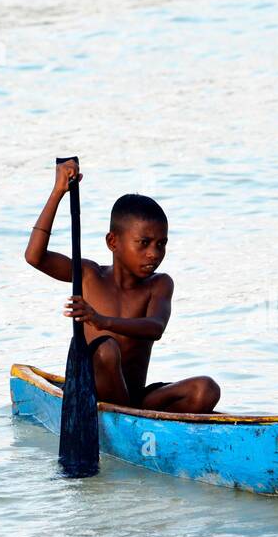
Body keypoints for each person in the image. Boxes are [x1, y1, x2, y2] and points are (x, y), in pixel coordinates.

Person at [24, 159, 220, 413]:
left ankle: (136, 418)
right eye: (144, 243)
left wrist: (101, 320)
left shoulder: (159, 284)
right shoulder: (88, 275)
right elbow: (34, 257)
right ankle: (128, 419)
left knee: (206, 389)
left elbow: (155, 327)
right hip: (94, 394)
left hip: (136, 399)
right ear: (113, 242)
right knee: (105, 349)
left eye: (161, 244)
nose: (153, 253)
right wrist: (58, 192)